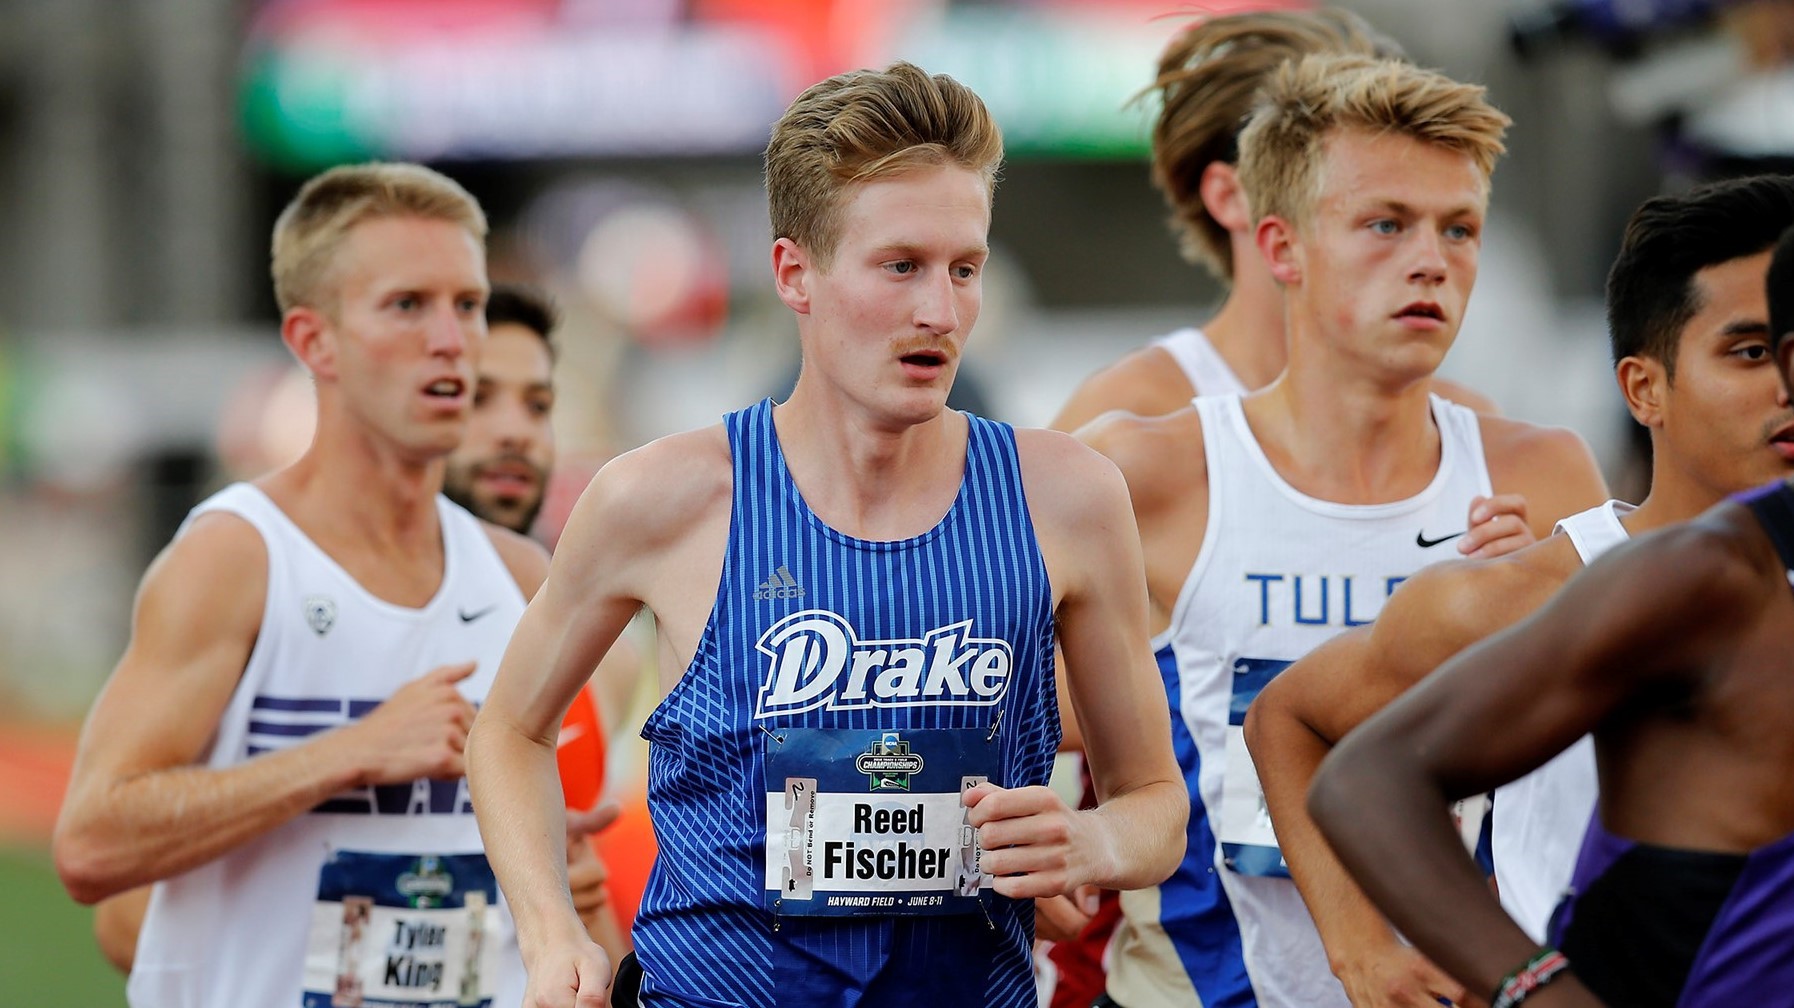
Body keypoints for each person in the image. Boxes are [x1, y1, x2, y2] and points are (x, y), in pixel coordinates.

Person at [465, 61, 1187, 1008]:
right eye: (900, 267)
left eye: (963, 269)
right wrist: (552, 936)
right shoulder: (664, 496)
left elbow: (1156, 804)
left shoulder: (1068, 497)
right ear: (794, 273)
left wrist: (1086, 841)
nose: (940, 311)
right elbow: (509, 731)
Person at [1077, 53, 1610, 1008]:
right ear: (1279, 247)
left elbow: (1611, 773)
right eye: (1385, 225)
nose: (1431, 260)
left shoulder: (1540, 474)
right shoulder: (1141, 470)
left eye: (1460, 229)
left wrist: (1535, 621)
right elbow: (1015, 724)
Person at [1246, 173, 1794, 1008]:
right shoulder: (1524, 592)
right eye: (1750, 352)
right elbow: (1289, 719)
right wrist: (1366, 955)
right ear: (1645, 388)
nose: (1785, 389)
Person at [51, 162, 551, 1008]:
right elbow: (93, 843)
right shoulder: (239, 558)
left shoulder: (519, 577)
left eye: (467, 304)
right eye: (407, 305)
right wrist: (350, 754)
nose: (451, 339)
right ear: (313, 341)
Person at [87, 280, 635, 978]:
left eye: (538, 405)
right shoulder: (276, 599)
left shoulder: (589, 656)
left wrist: (555, 915)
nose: (514, 430)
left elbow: (590, 936)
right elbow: (127, 921)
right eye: (478, 396)